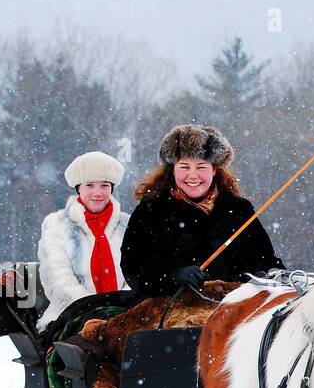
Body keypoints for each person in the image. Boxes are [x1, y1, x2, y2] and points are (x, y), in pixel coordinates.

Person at [120, 124, 283, 297]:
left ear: (214, 170)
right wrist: (173, 277)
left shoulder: (239, 209)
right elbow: (133, 267)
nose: (192, 175)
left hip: (234, 307)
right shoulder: (151, 211)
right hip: (171, 307)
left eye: (201, 167)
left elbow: (266, 261)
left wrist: (270, 276)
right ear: (172, 170)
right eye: (184, 167)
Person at [36, 150, 131, 333]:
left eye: (104, 185)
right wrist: (94, 309)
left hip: (126, 313)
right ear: (78, 188)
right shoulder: (57, 226)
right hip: (72, 314)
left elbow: (138, 273)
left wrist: (124, 306)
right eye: (90, 185)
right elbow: (58, 280)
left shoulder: (128, 225)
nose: (98, 192)